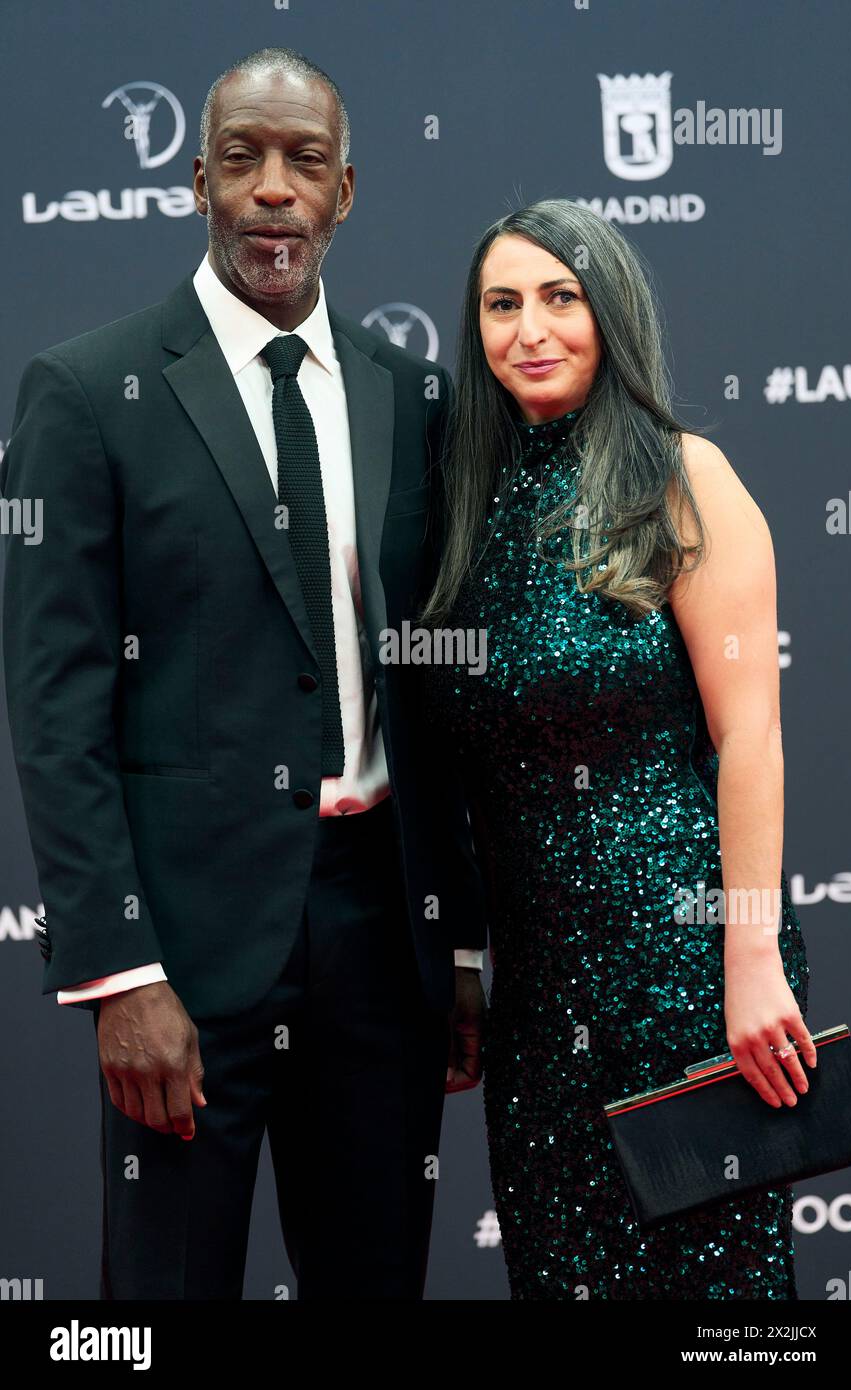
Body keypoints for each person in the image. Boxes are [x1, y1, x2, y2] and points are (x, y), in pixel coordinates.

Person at [1, 46, 488, 1300]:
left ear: (345, 193)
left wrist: (462, 942)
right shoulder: (84, 393)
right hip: (183, 957)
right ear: (198, 184)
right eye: (242, 160)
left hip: (381, 943)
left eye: (303, 163)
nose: (274, 190)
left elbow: (435, 692)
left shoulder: (412, 396)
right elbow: (57, 708)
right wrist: (120, 975)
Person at [420, 199, 814, 1299]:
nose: (528, 330)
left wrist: (749, 960)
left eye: (561, 297)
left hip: (688, 968)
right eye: (501, 304)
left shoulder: (684, 479)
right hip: (540, 994)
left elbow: (748, 736)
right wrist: (466, 965)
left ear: (612, 313)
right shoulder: (466, 507)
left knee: (714, 1289)